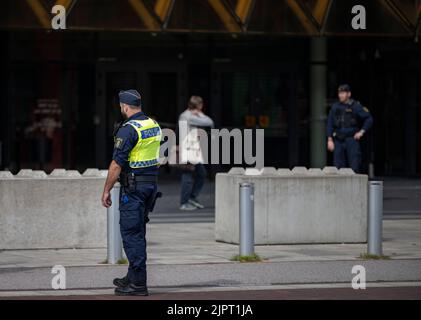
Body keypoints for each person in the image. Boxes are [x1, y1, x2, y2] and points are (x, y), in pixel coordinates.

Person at [101, 89, 162, 296]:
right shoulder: (153, 125)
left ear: (124, 106)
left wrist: (106, 190)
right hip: (150, 186)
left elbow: (117, 164)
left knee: (131, 234)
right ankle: (132, 276)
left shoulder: (128, 129)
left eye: (121, 106)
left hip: (133, 188)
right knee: (138, 232)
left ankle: (138, 283)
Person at [178, 96, 214, 211]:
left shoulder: (189, 115)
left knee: (201, 173)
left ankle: (192, 197)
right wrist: (201, 115)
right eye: (201, 105)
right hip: (188, 149)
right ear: (199, 106)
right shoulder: (188, 116)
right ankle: (184, 202)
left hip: (193, 149)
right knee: (187, 175)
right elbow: (209, 122)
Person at [326, 84, 373, 173]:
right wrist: (329, 139)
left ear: (349, 94)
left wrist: (361, 132)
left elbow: (369, 119)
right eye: (339, 93)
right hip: (338, 140)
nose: (340, 95)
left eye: (343, 93)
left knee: (354, 165)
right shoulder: (335, 107)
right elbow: (330, 123)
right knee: (338, 167)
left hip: (351, 139)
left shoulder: (355, 106)